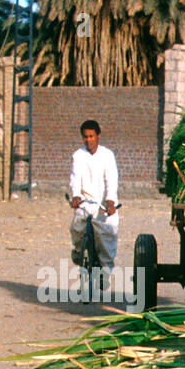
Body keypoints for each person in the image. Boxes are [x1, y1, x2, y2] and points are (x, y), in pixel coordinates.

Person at [69, 119, 119, 289]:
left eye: (91, 136)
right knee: (77, 227)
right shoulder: (78, 155)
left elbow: (111, 179)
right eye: (85, 137)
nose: (88, 140)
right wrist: (76, 196)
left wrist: (110, 200)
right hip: (85, 202)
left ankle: (105, 272)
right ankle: (77, 251)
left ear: (98, 136)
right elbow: (75, 178)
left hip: (104, 204)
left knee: (107, 236)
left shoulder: (107, 155)